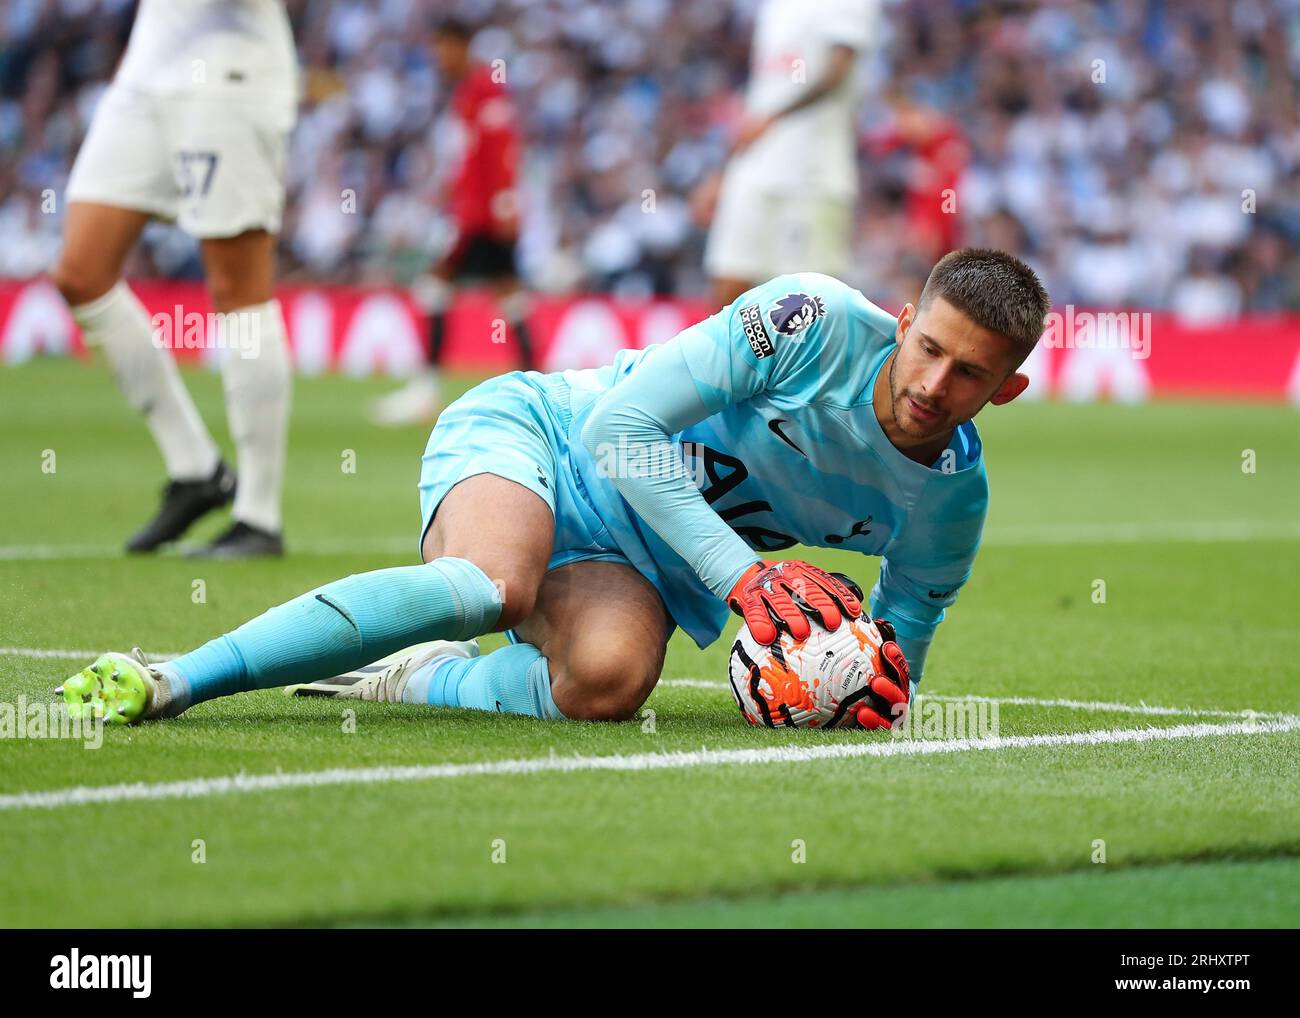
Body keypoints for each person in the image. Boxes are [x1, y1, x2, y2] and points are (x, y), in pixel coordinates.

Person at [59, 249, 1049, 729]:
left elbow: (903, 626)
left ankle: (413, 672)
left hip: (638, 557)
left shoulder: (949, 500)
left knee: (610, 685)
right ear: (904, 316)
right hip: (545, 437)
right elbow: (620, 431)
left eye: (967, 374)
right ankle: (178, 677)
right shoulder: (808, 319)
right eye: (926, 347)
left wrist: (870, 692)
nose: (931, 384)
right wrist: (742, 580)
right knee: (492, 586)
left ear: (1004, 388)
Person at [50, 0, 297, 558]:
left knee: (238, 289)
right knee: (80, 273)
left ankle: (259, 515)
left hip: (229, 66)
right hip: (149, 65)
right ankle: (196, 470)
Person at [369, 18, 535, 427]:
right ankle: (537, 383)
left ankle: (425, 390)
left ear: (461, 47)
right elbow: (471, 155)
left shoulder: (484, 89)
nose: (438, 58)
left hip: (479, 216)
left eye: (443, 49)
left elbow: (501, 149)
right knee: (509, 298)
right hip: (474, 210)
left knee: (434, 289)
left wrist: (503, 203)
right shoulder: (468, 92)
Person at [705, 0, 878, 309]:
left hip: (813, 174)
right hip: (754, 168)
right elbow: (765, 91)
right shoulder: (774, 7)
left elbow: (836, 69)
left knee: (805, 305)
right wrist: (725, 170)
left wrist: (773, 118)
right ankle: (727, 359)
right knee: (728, 286)